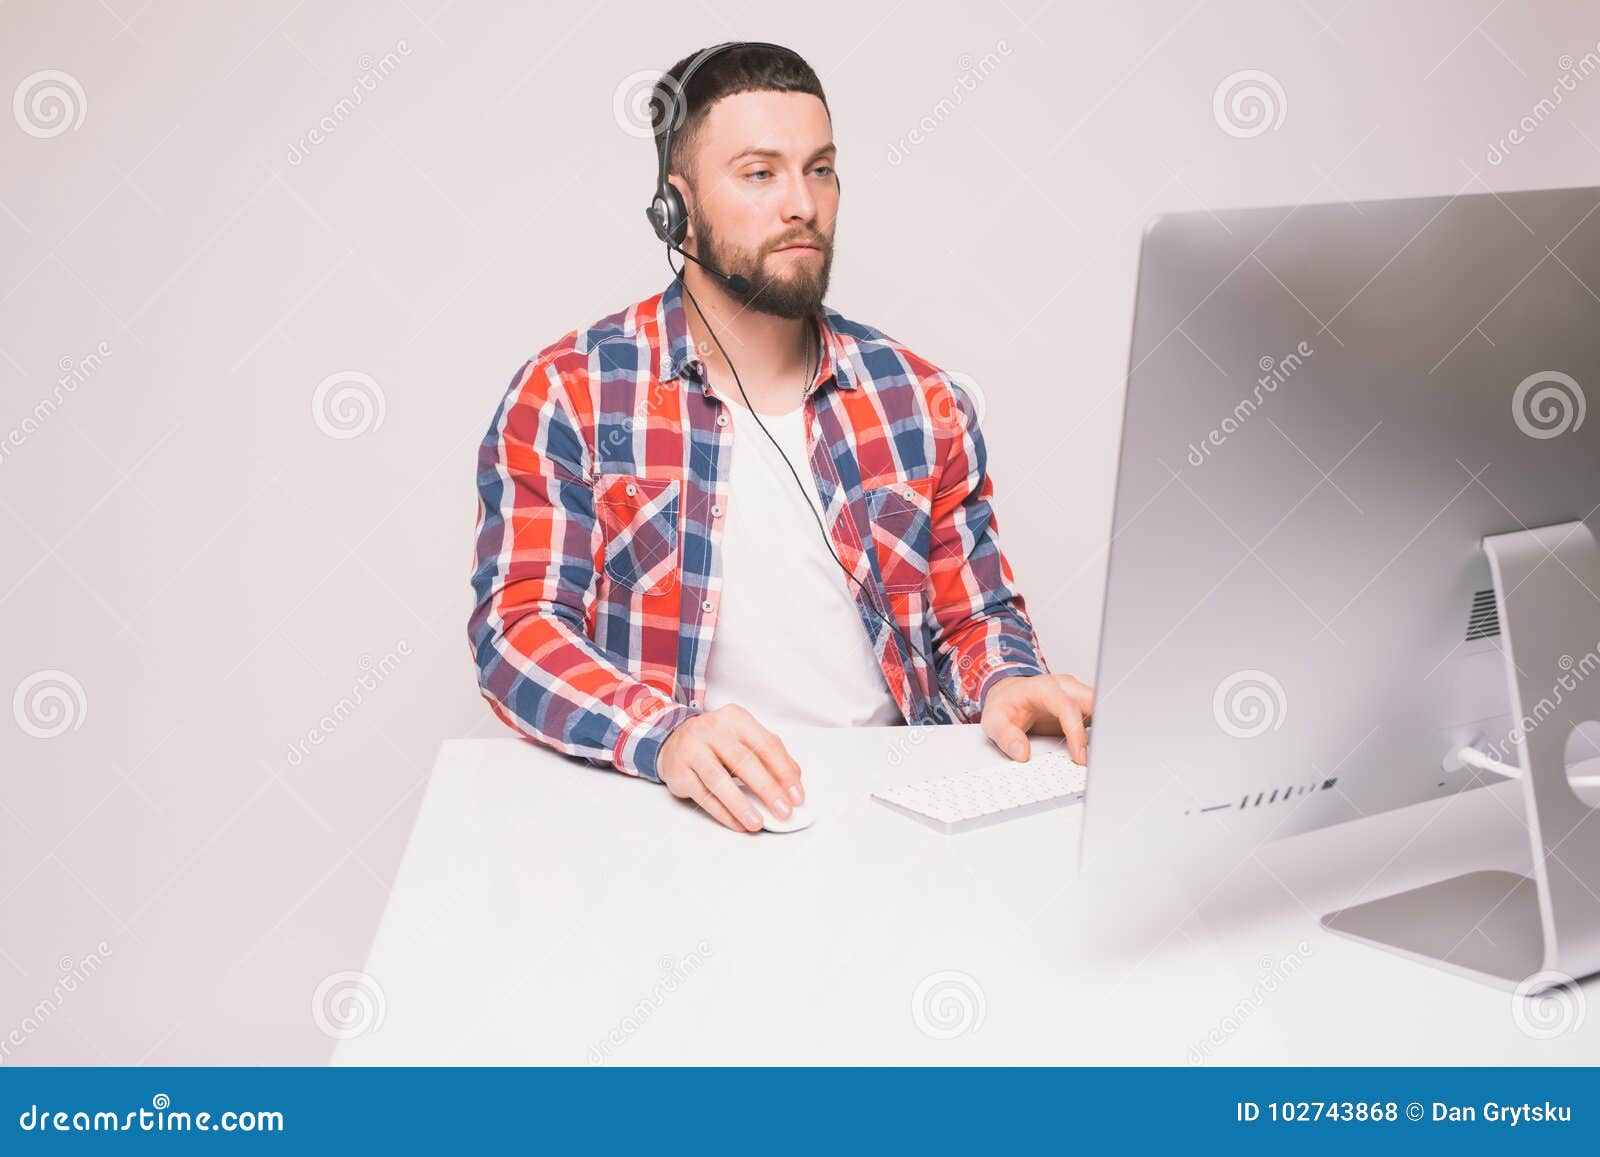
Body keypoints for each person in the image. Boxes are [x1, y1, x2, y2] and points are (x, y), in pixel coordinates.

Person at [469, 42, 1093, 834]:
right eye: (760, 173)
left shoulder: (921, 399)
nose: (801, 203)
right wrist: (664, 737)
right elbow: (516, 632)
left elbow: (974, 618)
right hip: (671, 813)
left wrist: (1007, 680)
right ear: (677, 208)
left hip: (892, 820)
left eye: (820, 169)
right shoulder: (569, 393)